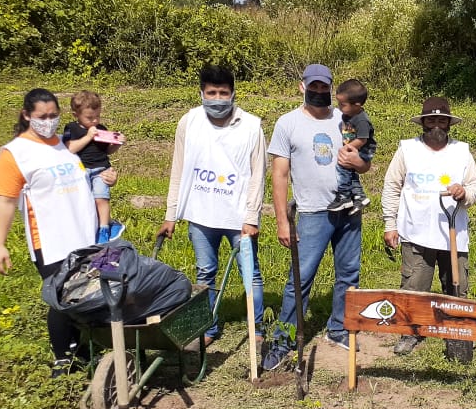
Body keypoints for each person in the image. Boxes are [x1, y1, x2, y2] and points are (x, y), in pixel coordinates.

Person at [0, 88, 118, 377]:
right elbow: (5, 201)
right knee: (62, 299)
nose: (48, 121)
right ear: (27, 116)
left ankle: (84, 350)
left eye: (53, 115)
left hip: (85, 236)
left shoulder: (63, 144)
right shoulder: (16, 154)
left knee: (87, 292)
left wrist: (107, 176)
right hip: (50, 240)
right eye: (42, 116)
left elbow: (88, 174)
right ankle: (63, 359)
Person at [262, 64, 371, 371]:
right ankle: (284, 339)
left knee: (348, 274)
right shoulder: (287, 124)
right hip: (311, 212)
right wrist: (282, 221)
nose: (320, 92)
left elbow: (365, 163)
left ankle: (339, 329)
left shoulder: (345, 119)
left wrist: (359, 163)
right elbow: (280, 175)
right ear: (303, 87)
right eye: (315, 87)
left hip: (348, 209)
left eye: (325, 88)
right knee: (300, 279)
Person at [157, 65, 267, 349]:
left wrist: (251, 217)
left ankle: (257, 328)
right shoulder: (190, 121)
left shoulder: (251, 126)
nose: (218, 98)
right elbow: (178, 169)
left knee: (249, 273)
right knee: (205, 272)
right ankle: (209, 326)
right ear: (202, 93)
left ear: (233, 94)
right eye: (212, 93)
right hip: (200, 215)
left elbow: (258, 174)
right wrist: (171, 215)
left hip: (237, 216)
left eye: (223, 93)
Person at [381, 97, 476, 361]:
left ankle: (457, 330)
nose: (436, 125)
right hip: (415, 231)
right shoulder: (407, 150)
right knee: (414, 285)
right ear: (423, 122)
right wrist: (390, 224)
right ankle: (410, 331)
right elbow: (392, 186)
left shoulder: (461, 151)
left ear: (449, 124)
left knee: (457, 285)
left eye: (441, 120)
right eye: (431, 120)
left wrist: (464, 194)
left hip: (453, 233)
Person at [62, 91, 125, 244]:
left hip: (101, 170)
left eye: (98, 116)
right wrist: (88, 136)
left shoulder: (101, 128)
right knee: (83, 202)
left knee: (101, 197)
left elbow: (107, 151)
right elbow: (69, 148)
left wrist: (116, 144)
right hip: (80, 171)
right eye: (90, 118)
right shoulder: (71, 128)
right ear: (75, 114)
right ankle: (83, 231)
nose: (95, 121)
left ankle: (104, 228)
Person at [327, 79, 377, 215]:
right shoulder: (350, 114)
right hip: (357, 147)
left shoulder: (361, 120)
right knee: (350, 172)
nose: (339, 107)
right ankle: (359, 197)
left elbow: (362, 139)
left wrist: (347, 148)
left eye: (342, 104)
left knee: (342, 166)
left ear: (357, 105)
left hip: (364, 149)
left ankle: (344, 196)